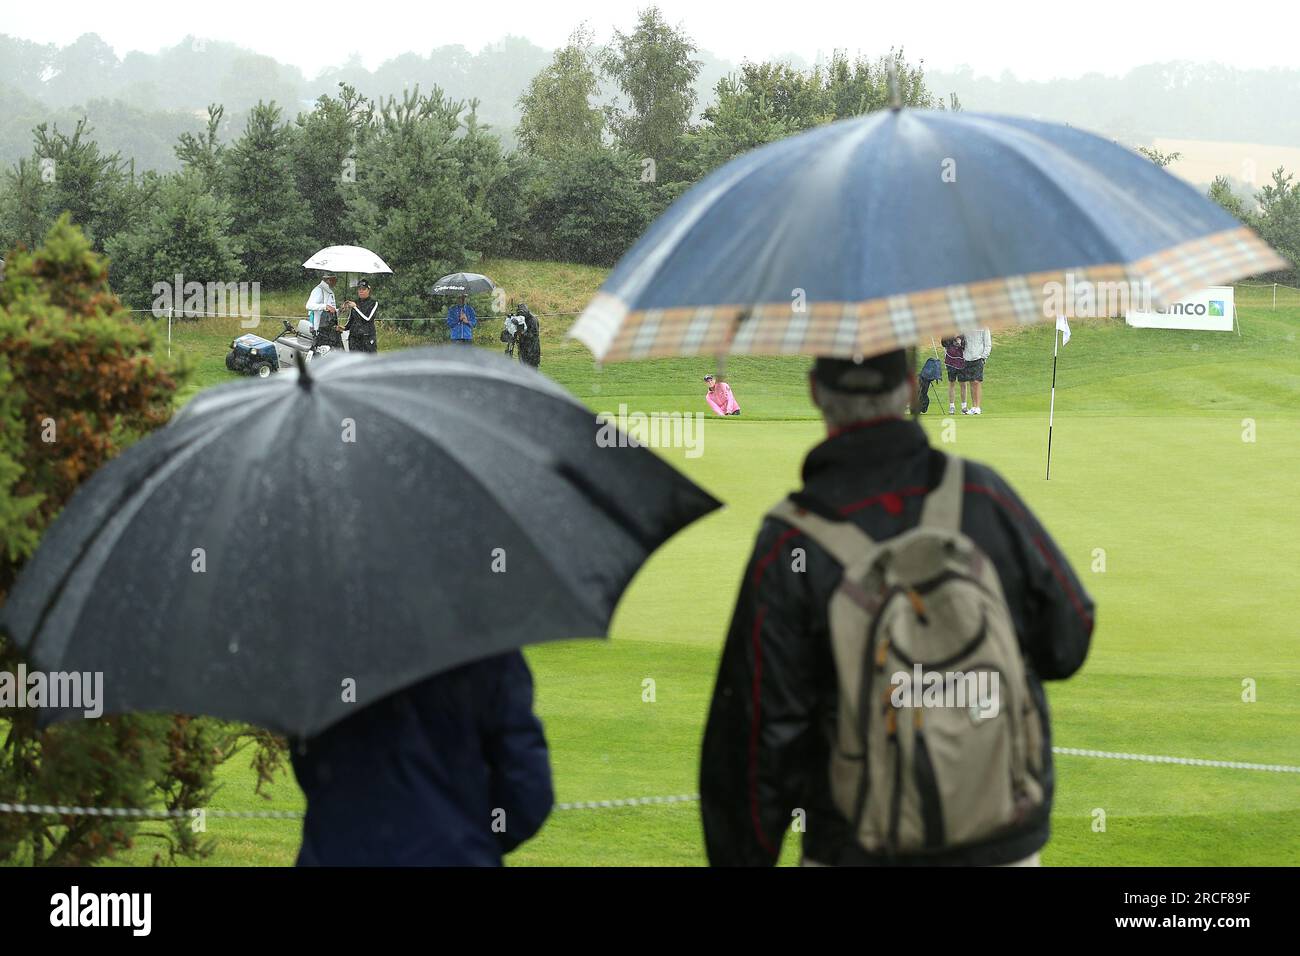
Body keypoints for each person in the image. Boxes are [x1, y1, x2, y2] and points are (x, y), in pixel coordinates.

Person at [699, 351, 1094, 867]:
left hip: (854, 841)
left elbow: (756, 734)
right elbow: (1067, 640)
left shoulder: (789, 539)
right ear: (911, 386)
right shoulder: (981, 494)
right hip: (999, 838)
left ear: (816, 391)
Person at [289, 651, 553, 866]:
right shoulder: (487, 652)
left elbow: (309, 763)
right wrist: (473, 839)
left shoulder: (323, 653)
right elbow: (527, 788)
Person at [960, 327, 992, 415]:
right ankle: (973, 406)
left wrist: (984, 357)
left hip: (978, 357)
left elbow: (988, 344)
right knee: (971, 382)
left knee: (976, 382)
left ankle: (978, 407)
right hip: (967, 357)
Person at [342, 279, 380, 353]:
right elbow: (351, 321)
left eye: (363, 289)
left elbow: (367, 318)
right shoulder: (355, 302)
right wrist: (343, 328)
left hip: (367, 337)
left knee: (369, 361)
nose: (361, 291)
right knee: (354, 362)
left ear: (368, 290)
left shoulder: (373, 303)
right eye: (359, 289)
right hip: (354, 338)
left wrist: (356, 307)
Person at [941, 335, 965, 414]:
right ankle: (952, 406)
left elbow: (966, 344)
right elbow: (944, 343)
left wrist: (960, 341)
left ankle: (964, 407)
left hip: (962, 361)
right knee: (952, 383)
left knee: (963, 384)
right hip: (950, 361)